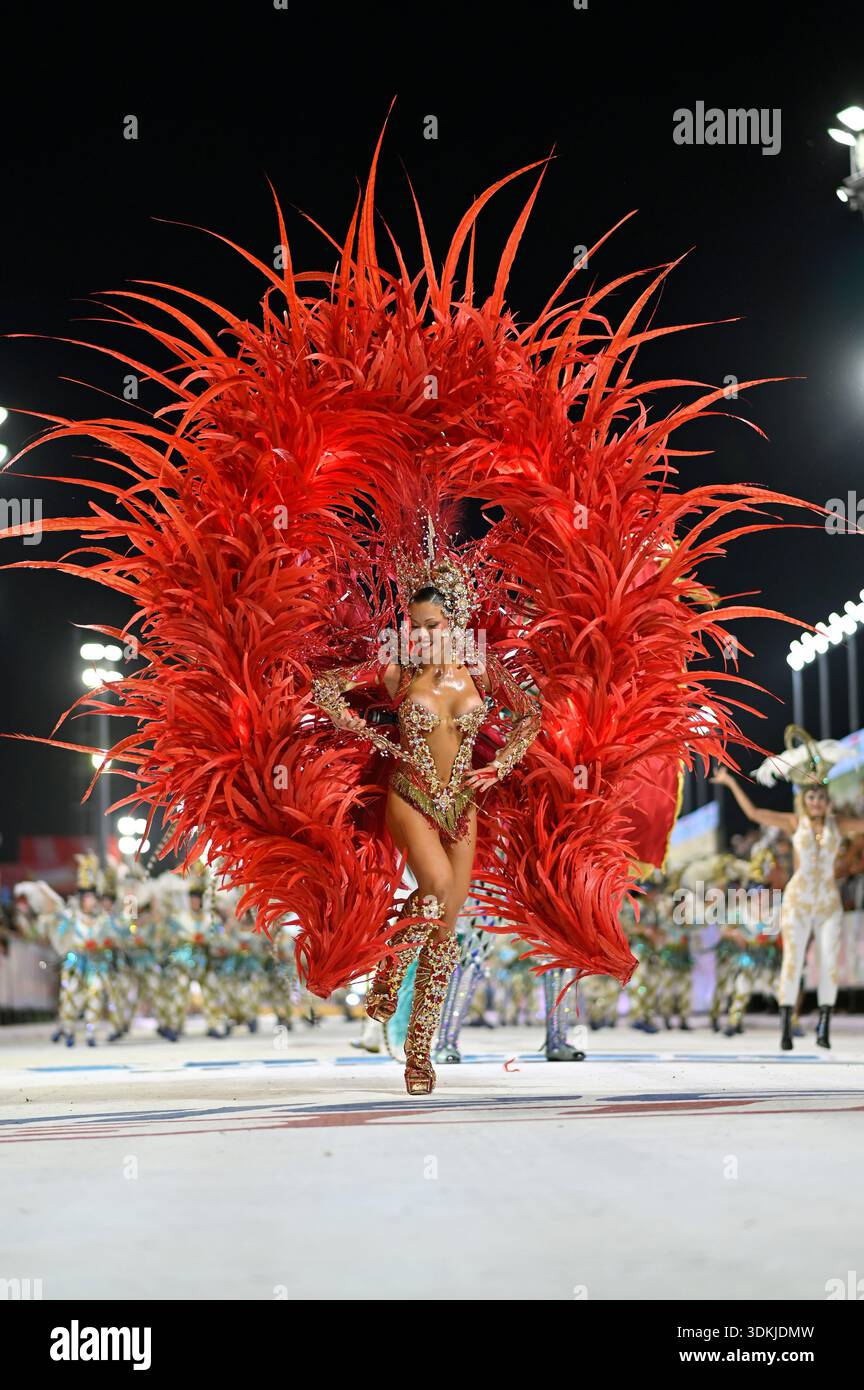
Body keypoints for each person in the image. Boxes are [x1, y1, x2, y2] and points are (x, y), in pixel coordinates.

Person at [312, 538, 542, 1094]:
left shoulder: (481, 673)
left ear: (456, 621)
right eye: (416, 624)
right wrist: (367, 732)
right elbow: (325, 688)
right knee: (435, 885)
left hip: (463, 804)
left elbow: (531, 713)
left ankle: (419, 1054)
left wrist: (502, 765)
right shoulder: (397, 673)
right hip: (410, 794)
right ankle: (389, 967)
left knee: (444, 931)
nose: (422, 635)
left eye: (434, 625)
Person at [713, 725, 864, 1050]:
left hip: (828, 903)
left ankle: (823, 1026)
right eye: (812, 797)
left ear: (827, 799)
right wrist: (729, 783)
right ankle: (785, 1025)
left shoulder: (840, 825)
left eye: (822, 796)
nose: (817, 801)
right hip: (798, 900)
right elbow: (754, 812)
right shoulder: (794, 823)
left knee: (827, 963)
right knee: (793, 960)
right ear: (804, 800)